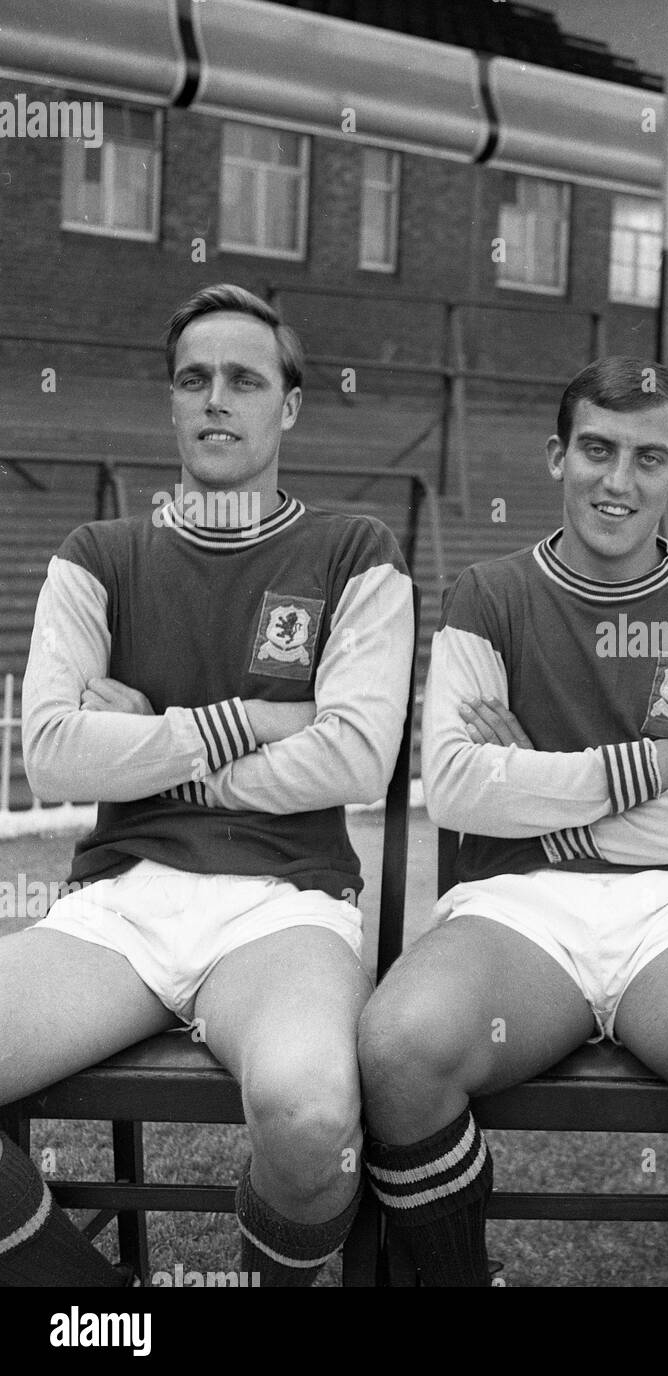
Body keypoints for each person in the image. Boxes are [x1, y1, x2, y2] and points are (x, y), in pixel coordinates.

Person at [359, 356, 668, 1287]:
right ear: (557, 456)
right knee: (397, 1046)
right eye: (597, 450)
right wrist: (643, 768)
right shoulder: (487, 597)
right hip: (514, 907)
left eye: (648, 458)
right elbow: (454, 787)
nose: (618, 481)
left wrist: (537, 788)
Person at [0, 283, 414, 1286]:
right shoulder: (98, 553)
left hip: (286, 906)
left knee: (312, 1110)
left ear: (290, 405)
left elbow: (355, 757)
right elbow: (50, 751)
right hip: (119, 904)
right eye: (195, 379)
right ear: (173, 403)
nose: (216, 398)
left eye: (244, 378)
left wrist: (145, 737)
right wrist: (250, 720)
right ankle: (106, 1312)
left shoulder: (355, 551)